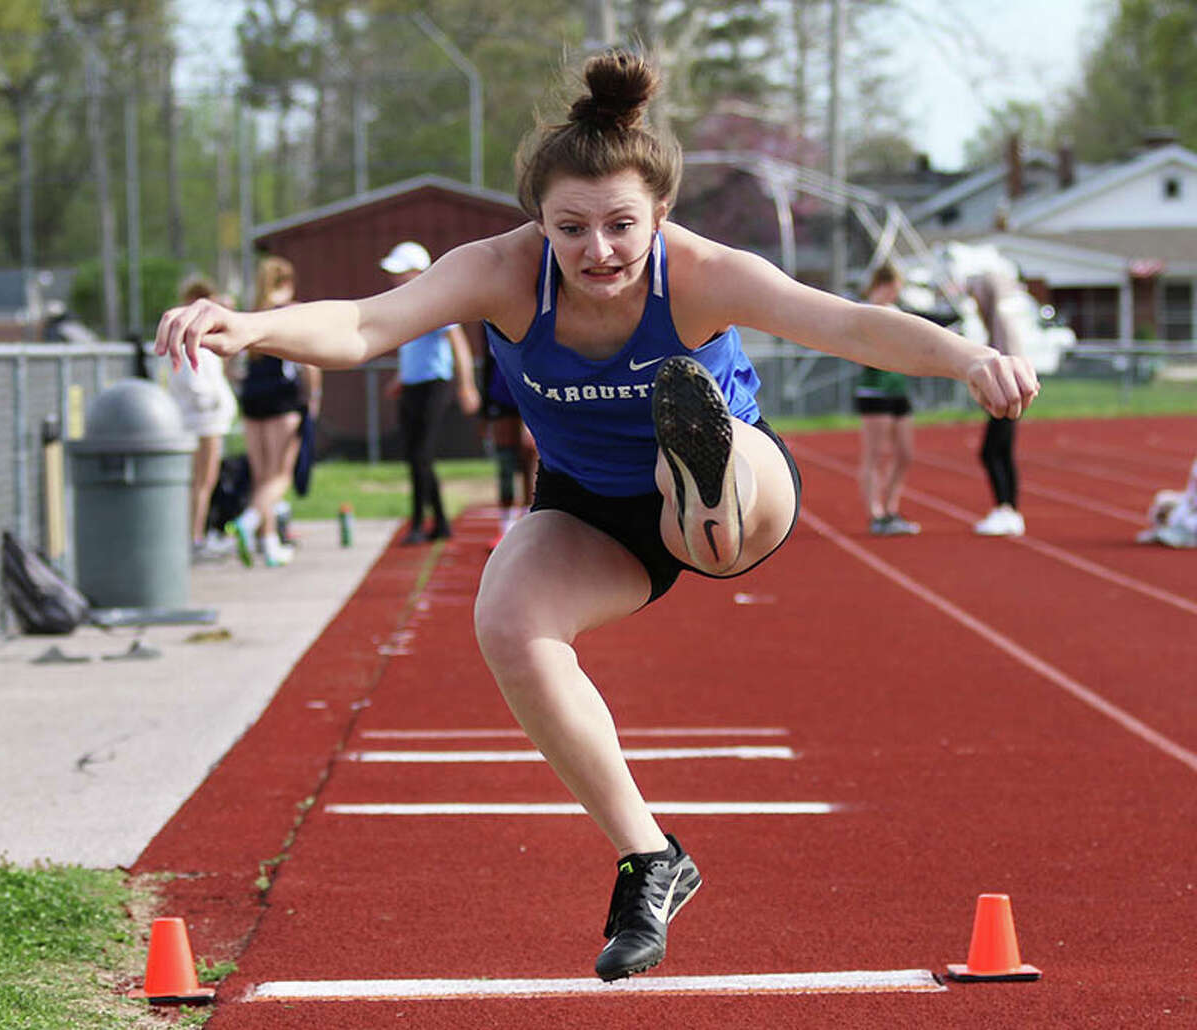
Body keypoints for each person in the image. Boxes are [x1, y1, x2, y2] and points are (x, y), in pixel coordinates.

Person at [155, 50, 1039, 982]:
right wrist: (251, 326)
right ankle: (650, 855)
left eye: (622, 226)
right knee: (506, 618)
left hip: (745, 485)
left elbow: (848, 324)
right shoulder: (500, 273)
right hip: (591, 511)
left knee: (710, 505)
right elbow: (368, 326)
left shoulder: (701, 274)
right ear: (539, 222)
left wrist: (966, 356)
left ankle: (696, 466)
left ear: (661, 216)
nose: (598, 252)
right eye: (571, 229)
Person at [379, 242, 481, 544]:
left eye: (401, 272)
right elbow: (412, 349)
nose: (395, 279)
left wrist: (467, 385)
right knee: (416, 456)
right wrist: (401, 378)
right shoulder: (405, 304)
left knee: (420, 455)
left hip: (434, 385)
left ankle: (418, 524)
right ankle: (440, 523)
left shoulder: (437, 301)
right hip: (412, 386)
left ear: (418, 271)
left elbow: (458, 344)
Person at [233, 255, 322, 567]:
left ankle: (270, 544)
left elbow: (233, 364)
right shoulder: (290, 312)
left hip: (252, 399)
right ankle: (249, 520)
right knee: (281, 473)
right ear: (286, 283)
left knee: (261, 476)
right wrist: (313, 399)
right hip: (282, 401)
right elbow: (310, 360)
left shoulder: (252, 313)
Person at [166, 276, 239, 561]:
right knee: (201, 481)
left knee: (204, 481)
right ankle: (193, 537)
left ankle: (196, 534)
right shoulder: (186, 340)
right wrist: (216, 402)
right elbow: (195, 383)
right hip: (202, 422)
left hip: (206, 421)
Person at [853, 263, 920, 536]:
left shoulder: (895, 312)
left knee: (905, 453)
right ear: (883, 285)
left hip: (897, 388)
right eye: (893, 289)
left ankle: (891, 509)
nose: (895, 295)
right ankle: (876, 514)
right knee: (874, 454)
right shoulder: (866, 311)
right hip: (874, 390)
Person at [965, 268, 1029, 537]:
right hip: (1010, 392)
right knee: (1001, 452)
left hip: (1009, 394)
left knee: (991, 452)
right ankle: (1009, 509)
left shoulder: (1001, 319)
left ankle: (1006, 509)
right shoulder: (1000, 317)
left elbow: (1006, 357)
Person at [481, 345, 538, 550]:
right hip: (501, 394)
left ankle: (530, 523)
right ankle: (505, 528)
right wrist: (484, 409)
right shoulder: (488, 323)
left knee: (530, 456)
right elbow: (488, 362)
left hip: (531, 390)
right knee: (505, 460)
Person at [1136, 457, 1197, 547]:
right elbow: (1191, 494)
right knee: (1163, 498)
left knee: (1188, 521)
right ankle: (1167, 531)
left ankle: (1184, 535)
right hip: (1191, 505)